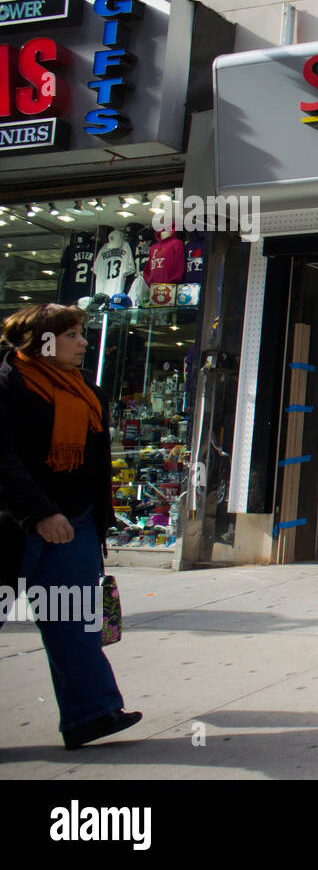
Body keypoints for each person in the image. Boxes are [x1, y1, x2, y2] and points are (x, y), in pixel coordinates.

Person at [0, 304, 142, 749]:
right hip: (16, 524)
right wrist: (39, 511)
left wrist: (98, 519)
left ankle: (91, 714)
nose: (83, 342)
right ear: (42, 339)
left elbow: (95, 466)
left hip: (76, 523)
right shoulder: (8, 384)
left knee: (74, 621)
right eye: (73, 335)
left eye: (82, 333)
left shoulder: (87, 392)